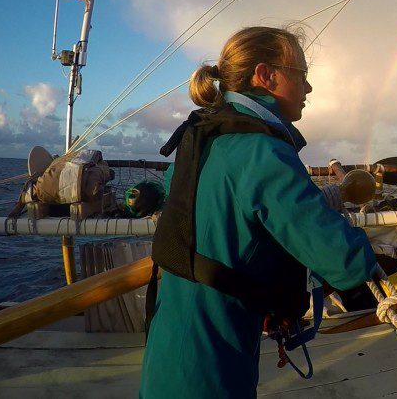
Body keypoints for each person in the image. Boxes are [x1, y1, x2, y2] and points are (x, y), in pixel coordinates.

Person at [140, 26, 378, 398]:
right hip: (212, 369)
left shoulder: (201, 136)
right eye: (301, 75)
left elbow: (201, 209)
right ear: (265, 75)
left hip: (167, 350)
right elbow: (344, 262)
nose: (309, 88)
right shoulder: (263, 151)